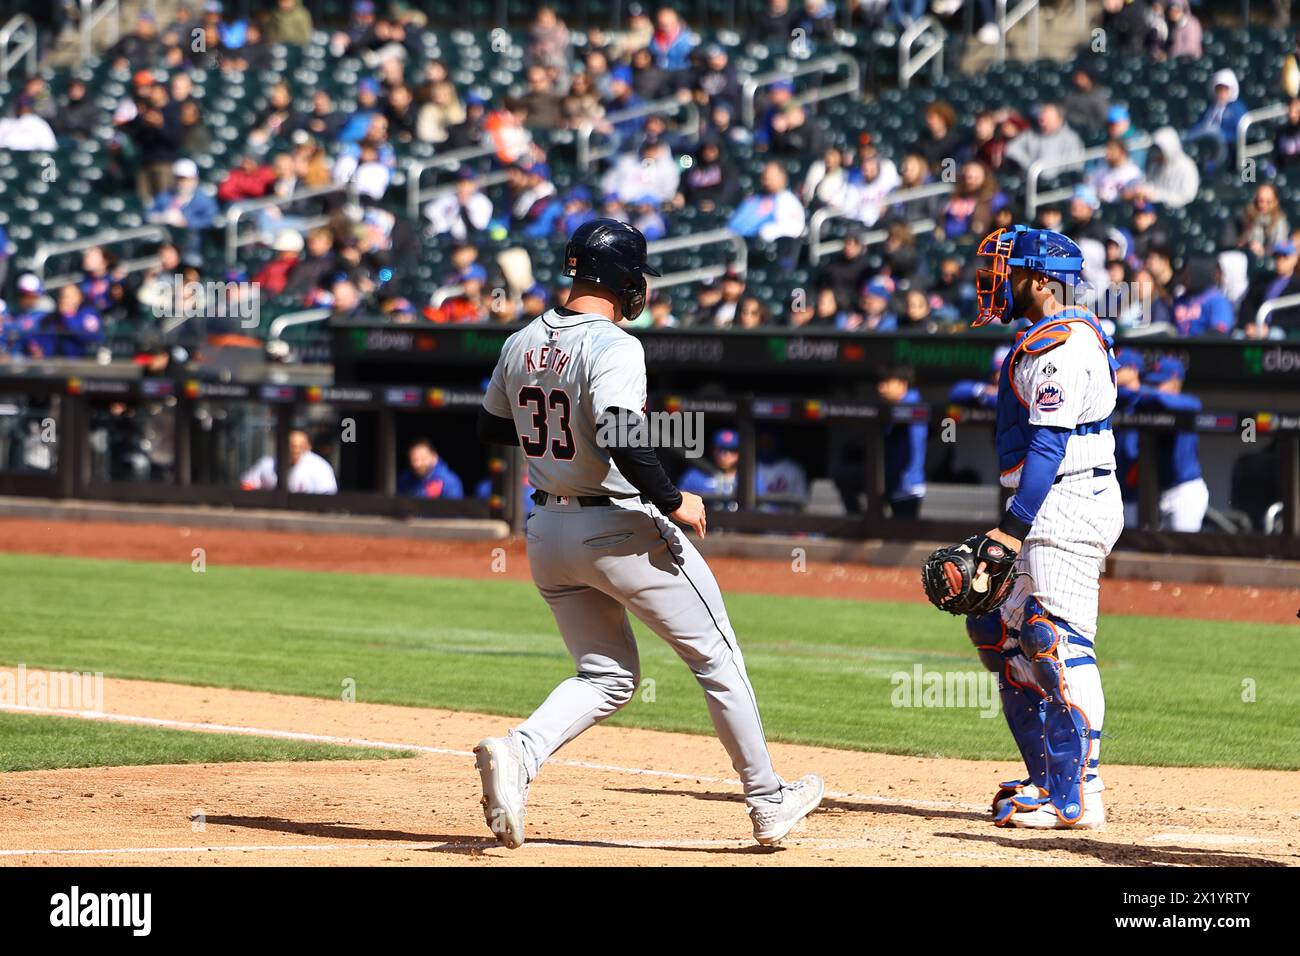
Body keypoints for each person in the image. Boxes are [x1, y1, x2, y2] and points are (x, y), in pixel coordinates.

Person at [473, 218, 823, 849]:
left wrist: (561, 434)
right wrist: (674, 498)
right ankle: (768, 801)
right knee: (716, 658)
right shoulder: (614, 345)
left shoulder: (520, 340)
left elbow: (492, 430)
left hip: (547, 531)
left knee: (606, 674)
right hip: (617, 526)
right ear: (622, 279)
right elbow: (616, 431)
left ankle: (519, 753)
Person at [955, 225, 1123, 830]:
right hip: (1048, 499)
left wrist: (1009, 531)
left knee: (1056, 641)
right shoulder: (1043, 339)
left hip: (1067, 499)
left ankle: (1078, 794)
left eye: (1010, 271)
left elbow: (1049, 447)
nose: (999, 281)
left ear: (1040, 279)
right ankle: (1048, 777)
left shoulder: (1060, 345)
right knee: (997, 632)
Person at [1138, 357, 1208, 532]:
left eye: (1160, 383)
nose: (1155, 387)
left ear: (1175, 384)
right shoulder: (1149, 404)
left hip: (1185, 492)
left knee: (1181, 553)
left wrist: (1144, 392)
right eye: (1152, 383)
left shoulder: (1186, 403)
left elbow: (1192, 404)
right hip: (1158, 493)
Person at [877, 366, 926, 518]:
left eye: (886, 382)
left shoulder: (911, 405)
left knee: (902, 537)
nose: (881, 388)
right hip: (892, 482)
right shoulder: (892, 408)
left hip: (907, 486)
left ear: (902, 384)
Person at [240, 429, 337, 493]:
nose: (296, 450)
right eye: (292, 446)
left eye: (301, 446)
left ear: (308, 447)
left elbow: (328, 495)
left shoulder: (319, 467)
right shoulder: (268, 463)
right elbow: (247, 485)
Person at [678, 428, 741, 507]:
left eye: (732, 450)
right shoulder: (695, 476)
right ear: (712, 449)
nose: (726, 455)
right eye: (721, 449)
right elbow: (680, 505)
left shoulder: (750, 478)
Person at [397, 439, 465, 498]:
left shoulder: (449, 481)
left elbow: (454, 510)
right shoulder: (404, 479)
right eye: (414, 460)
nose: (417, 464)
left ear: (434, 457)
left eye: (423, 459)